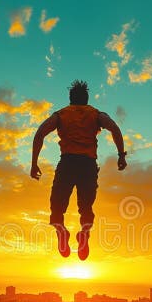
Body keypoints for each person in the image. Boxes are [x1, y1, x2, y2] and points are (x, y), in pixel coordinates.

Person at [30, 80, 127, 260]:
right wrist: (121, 155)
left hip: (67, 163)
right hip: (87, 166)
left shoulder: (61, 115)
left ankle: (61, 231)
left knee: (57, 206)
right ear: (87, 99)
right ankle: (84, 233)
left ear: (70, 99)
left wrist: (34, 162)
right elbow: (114, 127)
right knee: (86, 208)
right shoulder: (96, 114)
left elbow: (40, 133)